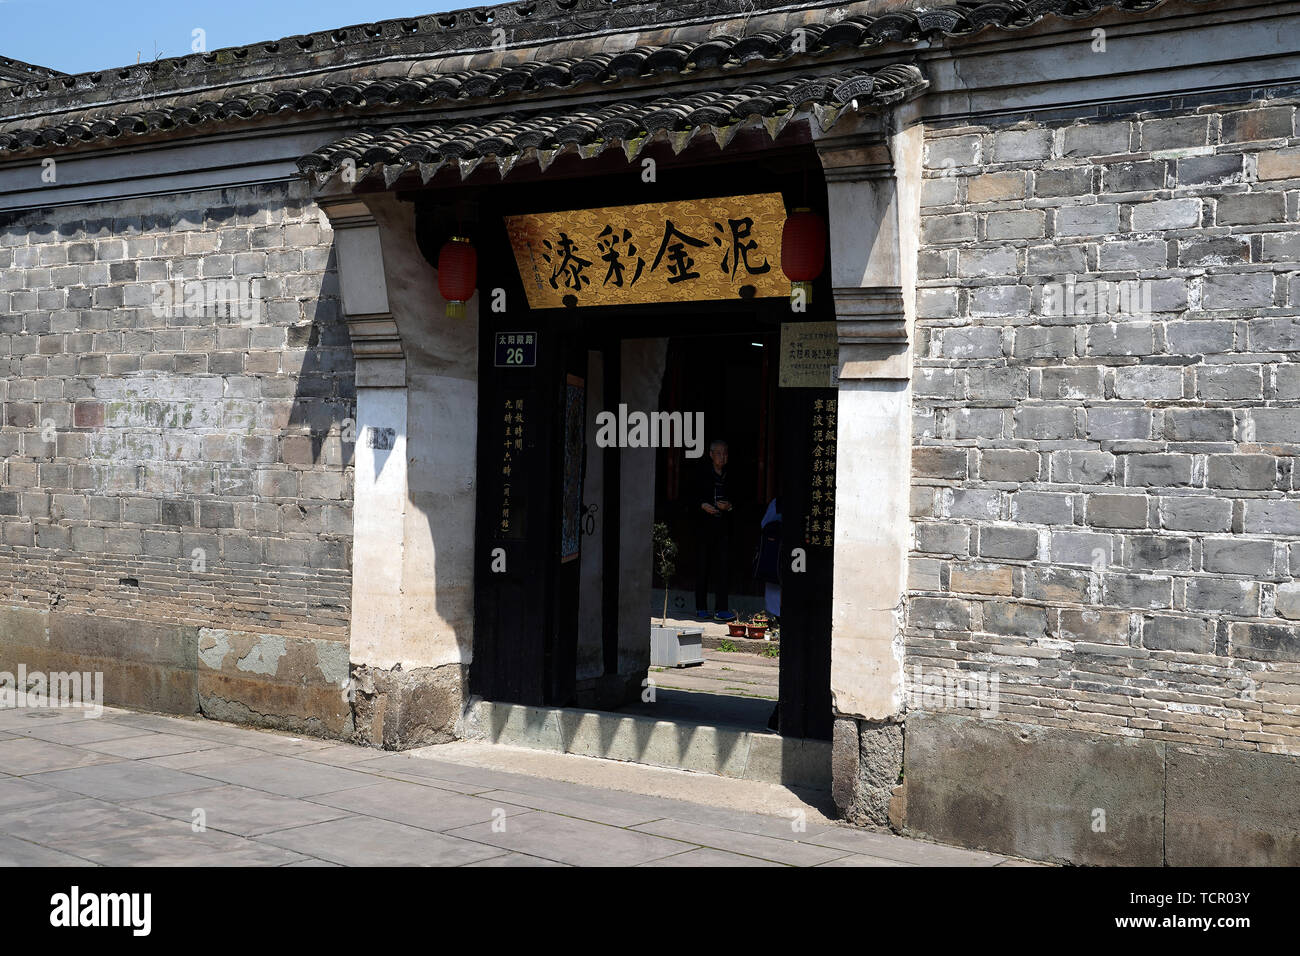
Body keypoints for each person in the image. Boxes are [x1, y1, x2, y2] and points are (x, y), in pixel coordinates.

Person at [694, 439, 736, 622]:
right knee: (702, 566)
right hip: (704, 526)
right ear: (711, 455)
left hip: (724, 527)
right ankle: (701, 607)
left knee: (723, 568)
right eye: (718, 453)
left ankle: (721, 609)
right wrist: (703, 505)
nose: (722, 456)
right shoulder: (702, 473)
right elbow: (691, 498)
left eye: (725, 453)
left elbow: (739, 500)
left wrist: (729, 506)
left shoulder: (731, 475)